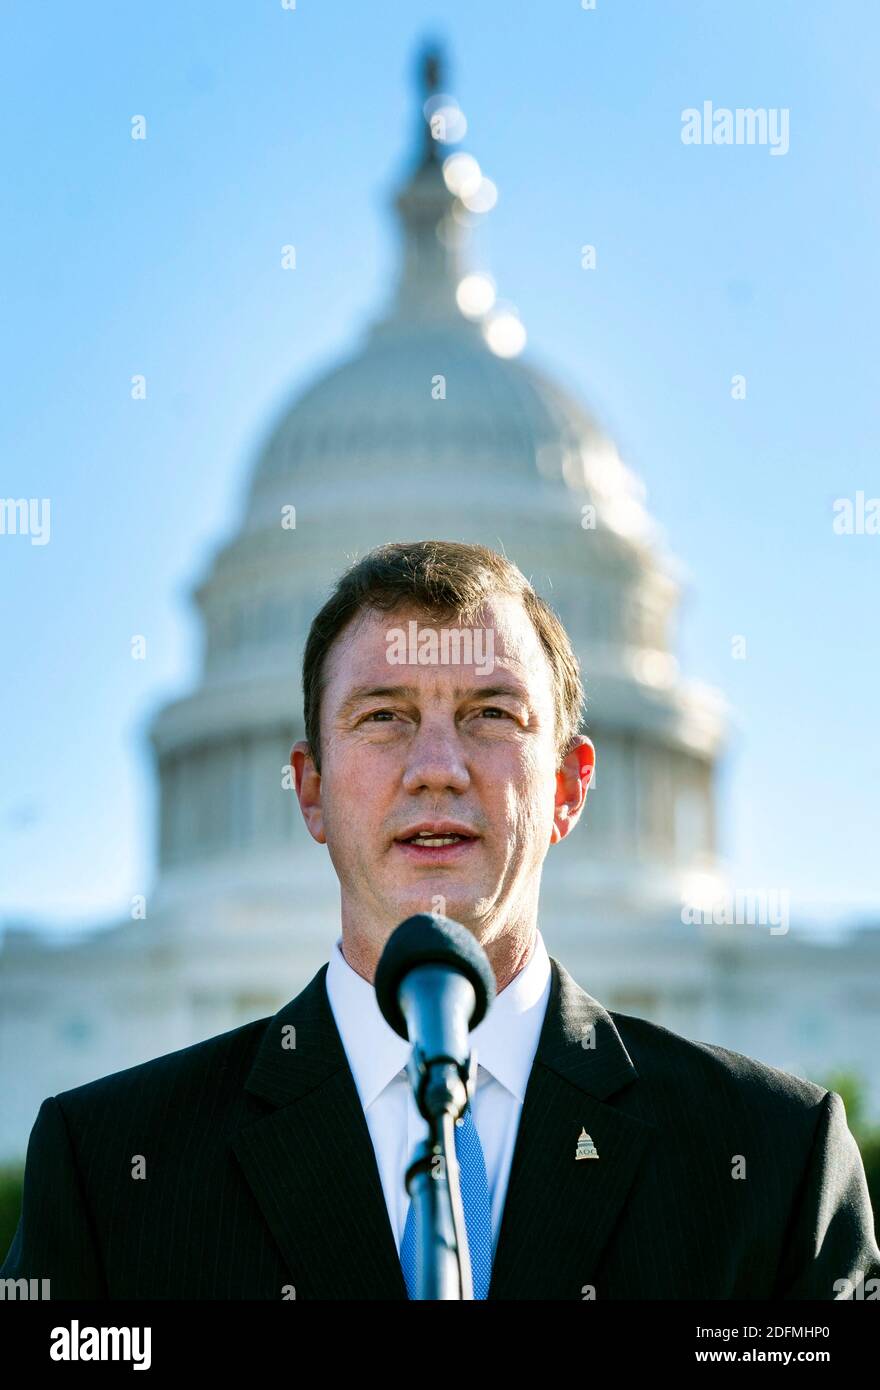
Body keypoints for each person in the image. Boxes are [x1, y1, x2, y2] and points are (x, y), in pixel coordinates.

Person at [3, 539, 879, 1299]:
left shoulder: (773, 1160)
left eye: (490, 715)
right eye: (384, 716)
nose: (436, 768)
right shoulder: (112, 1171)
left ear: (571, 786)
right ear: (308, 789)